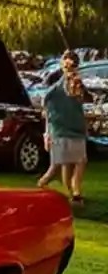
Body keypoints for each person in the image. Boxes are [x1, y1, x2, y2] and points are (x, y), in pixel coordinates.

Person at [38, 62, 89, 204]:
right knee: (56, 167)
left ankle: (74, 193)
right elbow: (45, 106)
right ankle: (40, 188)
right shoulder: (55, 90)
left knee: (77, 162)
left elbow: (84, 101)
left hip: (75, 132)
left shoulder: (78, 87)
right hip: (60, 132)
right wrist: (47, 134)